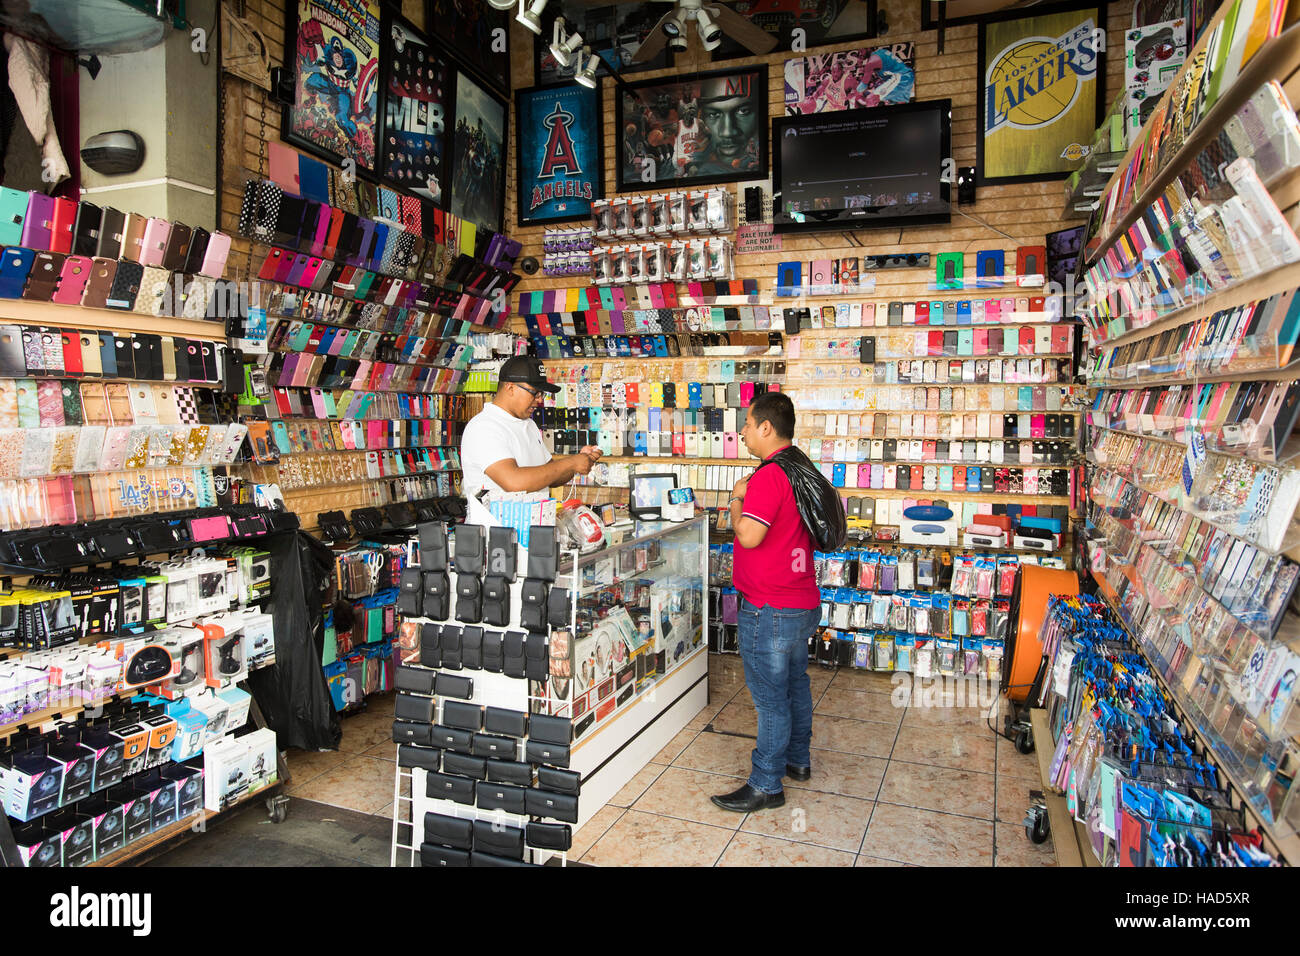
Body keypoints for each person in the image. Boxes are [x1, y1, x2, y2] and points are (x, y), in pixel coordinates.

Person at [710, 391, 821, 813]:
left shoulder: (770, 476)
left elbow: (750, 535)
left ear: (766, 428)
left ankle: (765, 784)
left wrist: (737, 498)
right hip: (800, 601)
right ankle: (798, 761)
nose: (742, 432)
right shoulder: (801, 467)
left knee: (771, 699)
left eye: (747, 425)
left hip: (771, 607)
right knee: (795, 686)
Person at [460, 356, 602, 525]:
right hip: (495, 539)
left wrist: (579, 461)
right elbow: (514, 482)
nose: (540, 399)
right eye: (534, 392)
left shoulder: (528, 424)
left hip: (530, 533)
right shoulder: (484, 427)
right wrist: (571, 463)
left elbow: (550, 475)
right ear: (510, 388)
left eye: (541, 393)